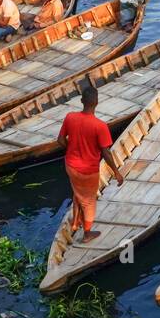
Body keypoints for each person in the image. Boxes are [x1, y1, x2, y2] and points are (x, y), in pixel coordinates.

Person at [57, 85, 124, 244]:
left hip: (71, 166)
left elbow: (60, 140)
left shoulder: (70, 117)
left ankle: (75, 223)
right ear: (97, 103)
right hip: (88, 171)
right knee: (88, 202)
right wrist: (116, 171)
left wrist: (73, 149)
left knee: (77, 192)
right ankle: (87, 234)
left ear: (81, 101)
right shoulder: (100, 126)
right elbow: (106, 153)